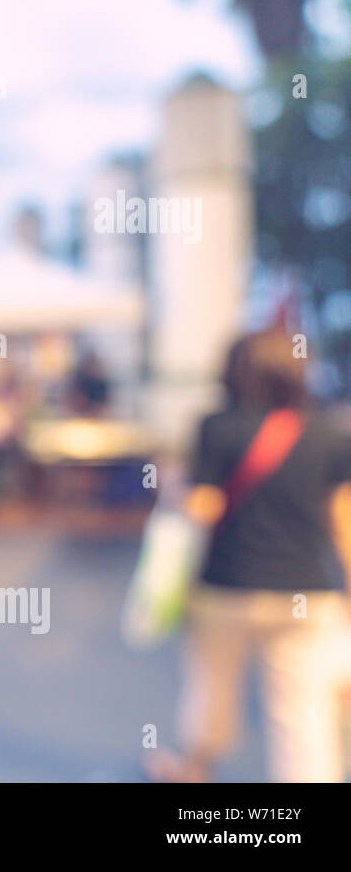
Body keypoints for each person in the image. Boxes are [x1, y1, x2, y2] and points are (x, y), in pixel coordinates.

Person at [149, 329, 351, 783]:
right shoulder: (328, 434)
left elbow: (203, 508)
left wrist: (175, 488)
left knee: (212, 691)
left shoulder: (217, 427)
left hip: (226, 588)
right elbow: (345, 523)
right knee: (303, 714)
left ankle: (193, 770)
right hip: (307, 593)